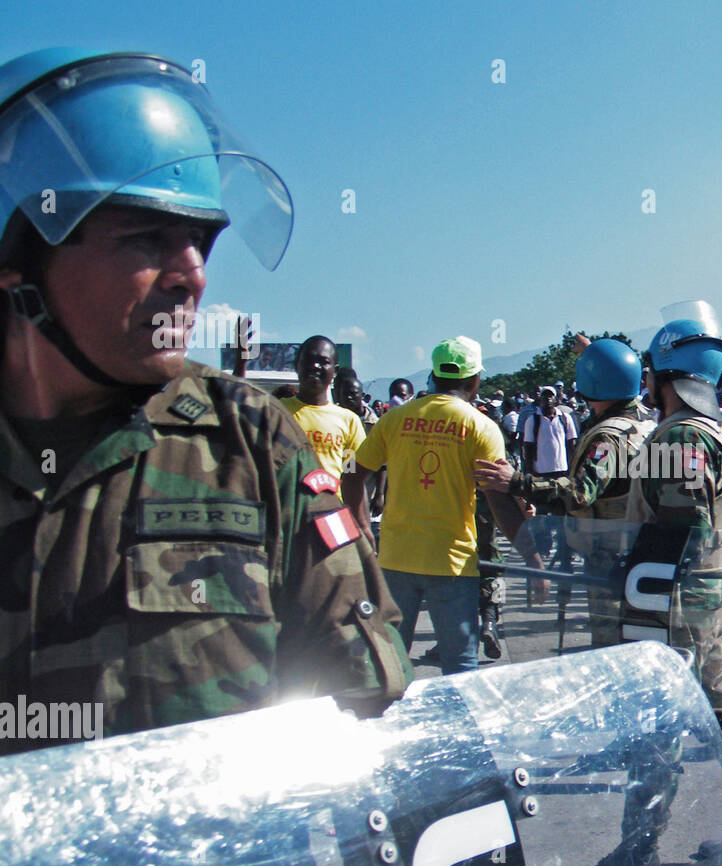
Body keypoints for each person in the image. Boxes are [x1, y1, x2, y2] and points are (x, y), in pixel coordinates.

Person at [0, 48, 409, 752]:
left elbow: (364, 697)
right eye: (146, 237)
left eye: (200, 241)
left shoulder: (250, 440)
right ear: (19, 261)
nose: (193, 276)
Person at [627, 306, 722, 859]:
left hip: (674, 600)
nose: (646, 382)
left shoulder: (681, 438)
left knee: (657, 720)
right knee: (719, 706)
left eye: (652, 372)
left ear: (669, 374)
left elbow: (680, 529)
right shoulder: (720, 432)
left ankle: (638, 848)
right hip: (710, 595)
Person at [344, 336, 517, 674]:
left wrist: (362, 527)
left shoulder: (394, 419)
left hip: (395, 558)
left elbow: (351, 474)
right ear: (474, 381)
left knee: (388, 663)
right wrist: (530, 551)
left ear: (434, 375)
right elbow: (497, 499)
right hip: (452, 563)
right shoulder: (481, 427)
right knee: (460, 666)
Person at [474, 338, 656, 649]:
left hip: (611, 557)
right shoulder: (645, 426)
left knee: (610, 645)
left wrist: (517, 482)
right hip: (641, 550)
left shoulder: (607, 437)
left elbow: (580, 492)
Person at [281, 336, 365, 481]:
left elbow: (351, 472)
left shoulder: (349, 421)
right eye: (309, 360)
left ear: (335, 371)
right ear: (296, 365)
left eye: (324, 362)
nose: (315, 366)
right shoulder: (277, 411)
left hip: (332, 496)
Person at [522, 385, 577, 478]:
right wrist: (529, 472)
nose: (548, 398)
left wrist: (572, 467)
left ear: (555, 399)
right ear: (540, 399)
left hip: (562, 469)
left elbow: (571, 444)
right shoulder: (532, 420)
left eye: (551, 396)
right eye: (544, 396)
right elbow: (528, 447)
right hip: (541, 470)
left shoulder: (565, 418)